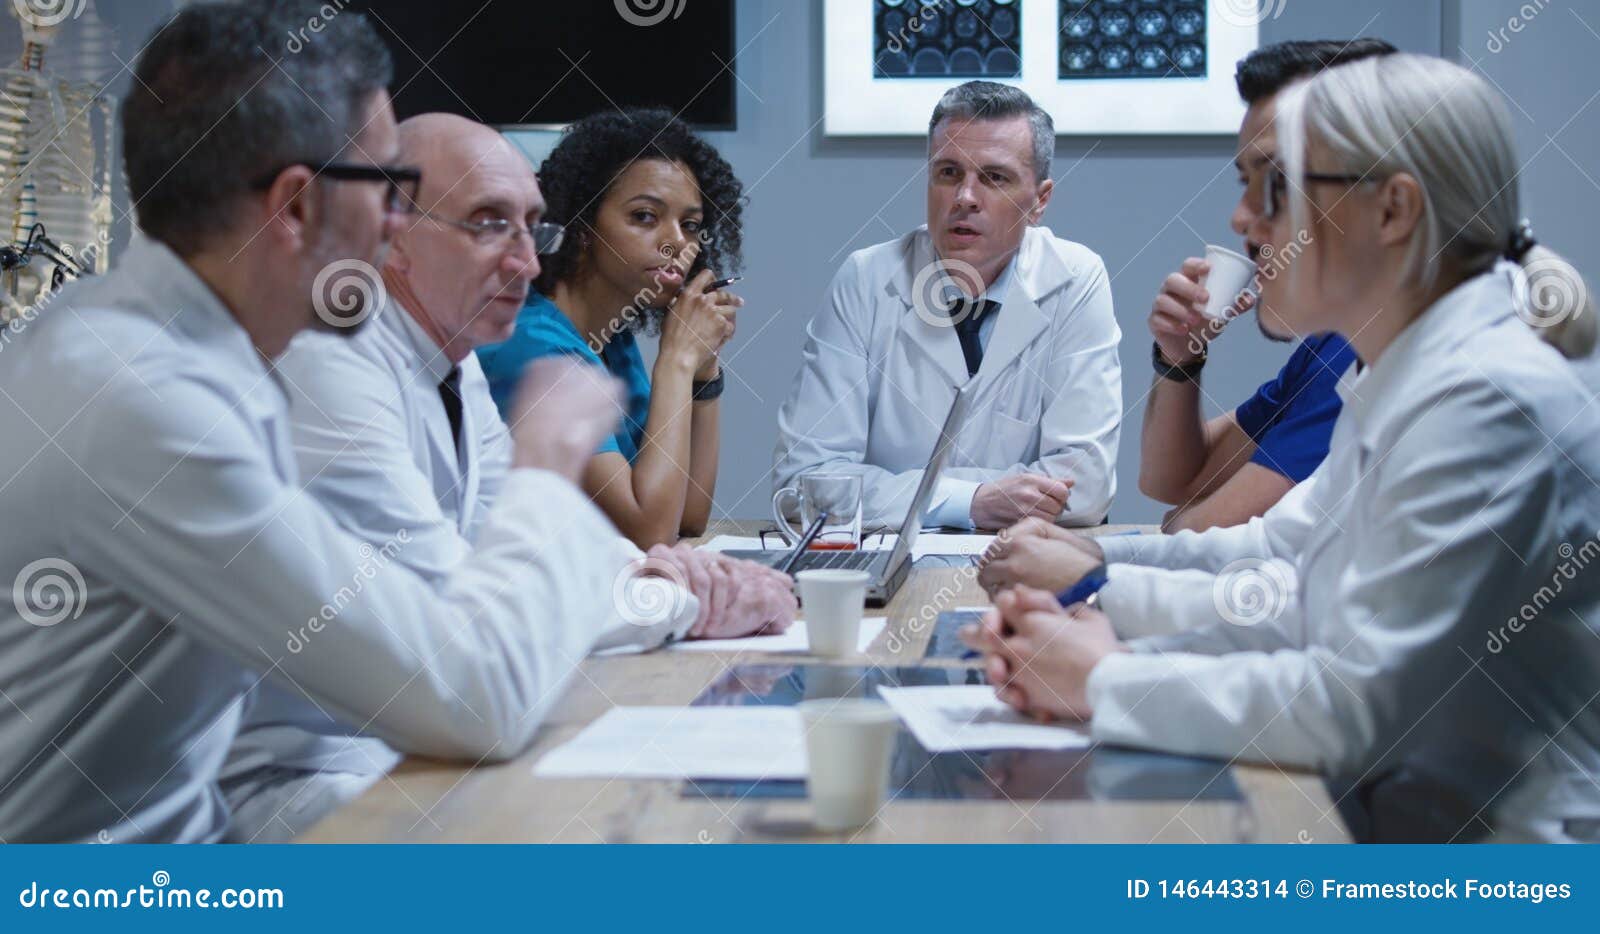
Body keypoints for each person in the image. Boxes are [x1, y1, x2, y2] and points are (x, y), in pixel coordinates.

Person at [0, 1, 681, 843]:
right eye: (386, 188)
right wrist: (547, 466)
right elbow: (477, 698)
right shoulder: (148, 405)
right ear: (296, 207)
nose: (399, 225)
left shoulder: (177, 347)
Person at [966, 53, 1600, 842]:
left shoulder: (1487, 400)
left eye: (1274, 188)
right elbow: (1293, 580)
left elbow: (1357, 706)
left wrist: (1102, 676)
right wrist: (1099, 598)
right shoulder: (1400, 371)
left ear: (1393, 210)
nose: (1243, 220)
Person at [221, 113, 797, 842]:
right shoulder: (330, 371)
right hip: (317, 776)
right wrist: (678, 593)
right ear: (392, 230)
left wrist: (671, 585)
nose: (526, 263)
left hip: (428, 740)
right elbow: (467, 648)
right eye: (490, 225)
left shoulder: (454, 362)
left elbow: (564, 561)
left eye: (532, 229)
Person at [773, 80, 1121, 532]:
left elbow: (1085, 487)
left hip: (1024, 558)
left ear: (1039, 202)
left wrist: (898, 495)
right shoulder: (867, 279)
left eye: (994, 178)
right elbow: (806, 483)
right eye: (949, 173)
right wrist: (969, 501)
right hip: (894, 562)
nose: (964, 198)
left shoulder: (1074, 279)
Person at [1138, 40, 1393, 534]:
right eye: (1246, 183)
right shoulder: (1335, 343)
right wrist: (1178, 358)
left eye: (1278, 183)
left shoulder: (1379, 345)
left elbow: (1197, 531)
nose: (1240, 218)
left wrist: (1181, 524)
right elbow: (1173, 480)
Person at [478, 109, 742, 550]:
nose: (677, 242)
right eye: (645, 216)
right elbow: (649, 530)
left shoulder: (611, 339)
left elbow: (690, 514)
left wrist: (703, 372)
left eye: (691, 225)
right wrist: (676, 362)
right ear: (583, 227)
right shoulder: (530, 344)